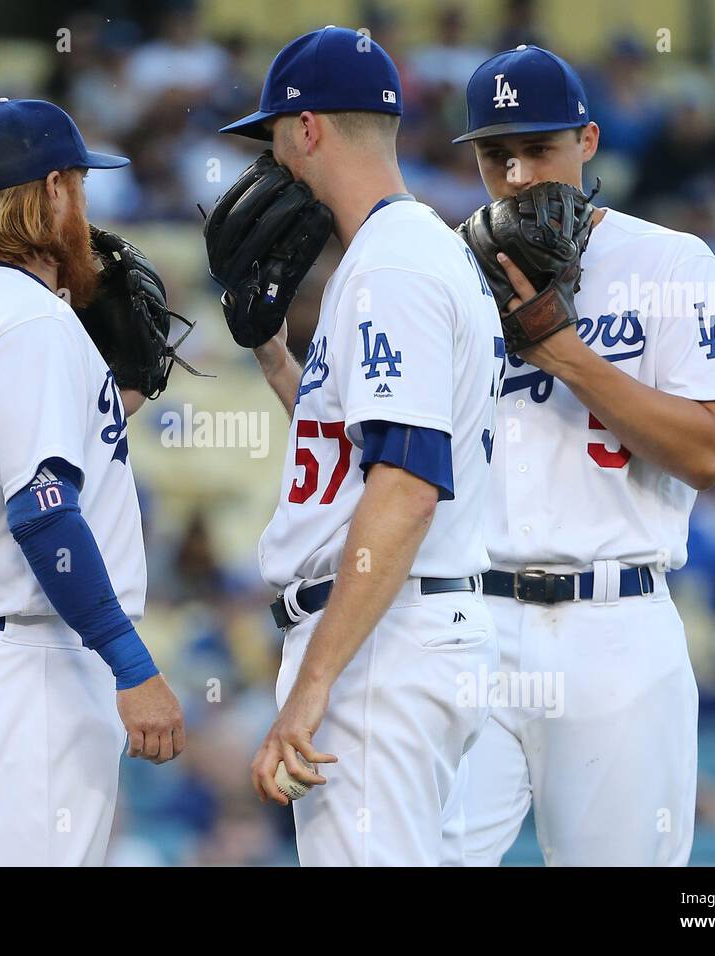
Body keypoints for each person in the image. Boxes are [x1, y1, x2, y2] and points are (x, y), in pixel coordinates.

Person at [450, 45, 715, 865]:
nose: (516, 175)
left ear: (588, 141)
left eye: (539, 149)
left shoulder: (670, 261)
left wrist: (566, 353)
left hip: (614, 626)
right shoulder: (449, 271)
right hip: (475, 625)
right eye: (494, 155)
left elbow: (706, 451)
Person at [212, 27, 504, 865]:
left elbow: (408, 485)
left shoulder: (394, 268)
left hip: (382, 641)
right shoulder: (404, 253)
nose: (266, 166)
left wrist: (315, 684)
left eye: (272, 137)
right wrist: (274, 355)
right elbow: (356, 449)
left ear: (308, 128)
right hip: (402, 633)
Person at [0, 98, 184, 867]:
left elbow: (8, 472)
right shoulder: (31, 322)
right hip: (29, 671)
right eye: (79, 186)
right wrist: (131, 663)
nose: (85, 207)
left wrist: (111, 403)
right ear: (52, 190)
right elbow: (42, 511)